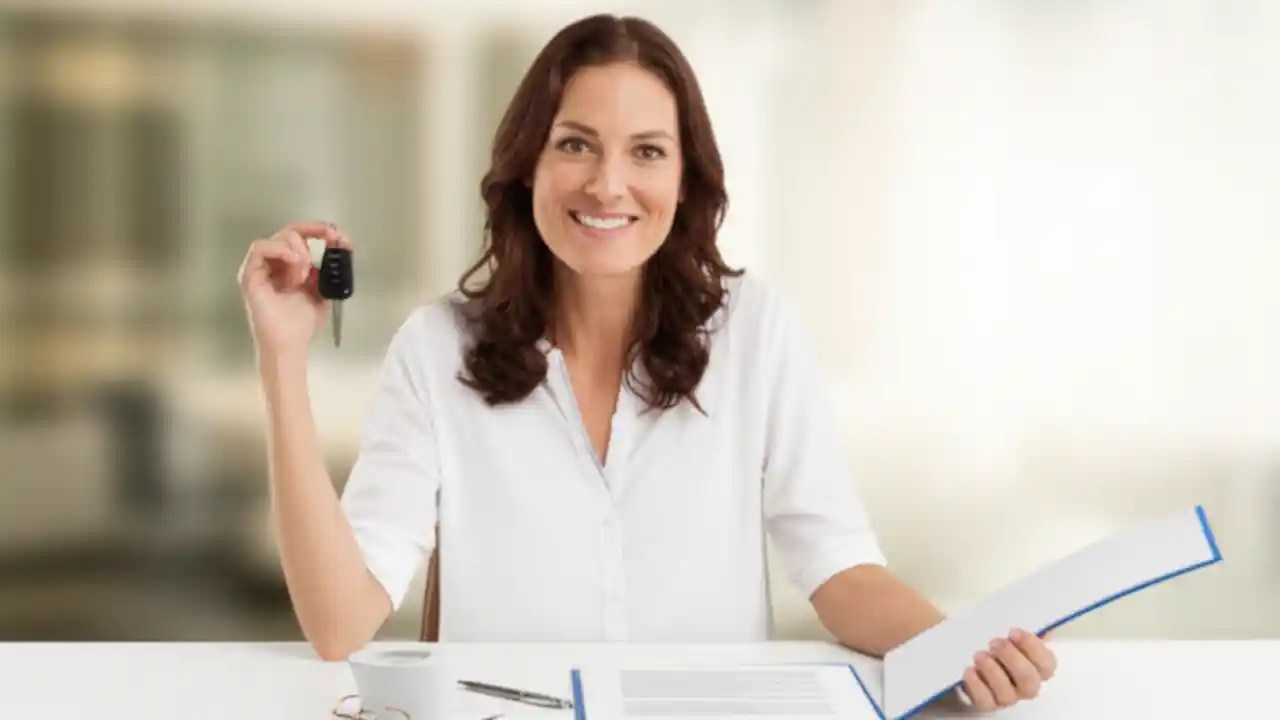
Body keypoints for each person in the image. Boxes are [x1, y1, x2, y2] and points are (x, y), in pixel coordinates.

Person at [236, 13, 1055, 712]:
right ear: (528, 165)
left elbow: (838, 568)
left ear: (686, 176)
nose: (608, 184)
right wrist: (283, 359)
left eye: (647, 152)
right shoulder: (437, 346)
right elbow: (340, 625)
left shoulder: (754, 333)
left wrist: (959, 652)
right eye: (577, 145)